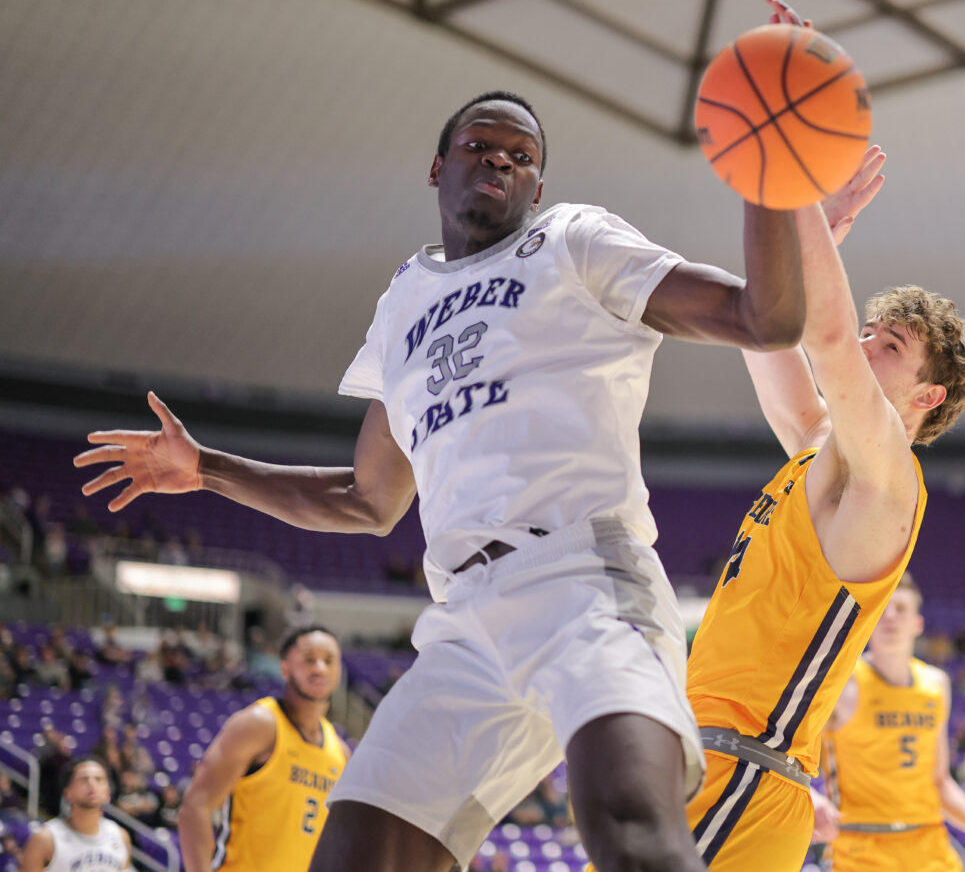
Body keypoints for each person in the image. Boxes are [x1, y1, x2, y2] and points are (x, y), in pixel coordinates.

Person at [75, 46, 813, 870]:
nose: (499, 159)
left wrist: (771, 170)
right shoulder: (402, 304)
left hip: (583, 583)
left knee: (631, 829)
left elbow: (764, 318)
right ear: (438, 168)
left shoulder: (575, 241)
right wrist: (208, 467)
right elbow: (368, 499)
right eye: (480, 146)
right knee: (356, 856)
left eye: (521, 156)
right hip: (466, 619)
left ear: (537, 184)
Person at [682, 0, 965, 872]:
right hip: (707, 761)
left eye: (886, 346)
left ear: (927, 399)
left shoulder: (888, 471)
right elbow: (767, 323)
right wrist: (811, 227)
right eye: (866, 331)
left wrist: (793, 172)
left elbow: (817, 331)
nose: (859, 345)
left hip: (744, 771)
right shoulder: (818, 446)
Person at [814, 574, 965, 870]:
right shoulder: (840, 683)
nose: (890, 616)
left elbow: (939, 782)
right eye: (883, 608)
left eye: (901, 608)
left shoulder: (936, 684)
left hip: (929, 843)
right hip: (859, 847)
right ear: (868, 619)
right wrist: (810, 796)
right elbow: (783, 752)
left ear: (918, 624)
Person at [176, 625, 348, 872]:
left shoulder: (340, 752)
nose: (320, 668)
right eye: (309, 659)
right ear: (285, 669)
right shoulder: (259, 724)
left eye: (329, 660)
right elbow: (195, 808)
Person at [18, 757, 131, 872]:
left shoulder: (120, 836)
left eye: (98, 779)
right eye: (84, 779)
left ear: (107, 793)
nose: (92, 784)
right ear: (68, 793)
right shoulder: (45, 838)